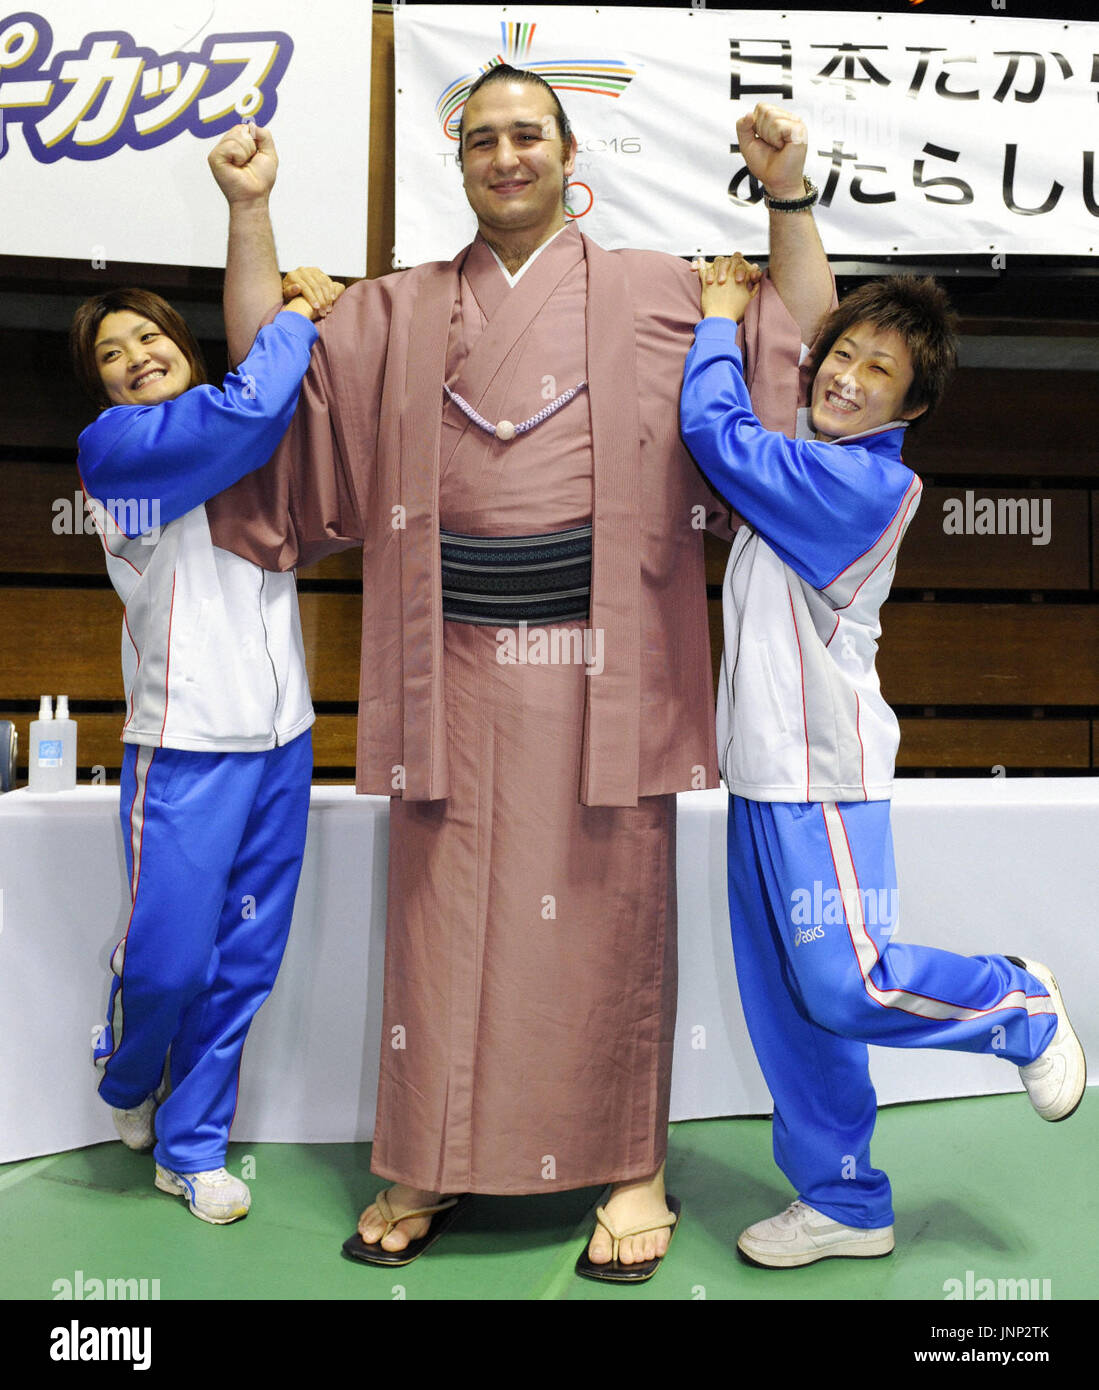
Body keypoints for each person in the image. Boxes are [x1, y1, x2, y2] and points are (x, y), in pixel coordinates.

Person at [203, 74, 833, 1280]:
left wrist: (790, 194)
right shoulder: (396, 307)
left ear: (566, 150)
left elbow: (789, 341)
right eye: (482, 138)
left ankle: (628, 1161)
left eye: (525, 134)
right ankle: (430, 1152)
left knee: (610, 914)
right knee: (444, 923)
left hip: (602, 663)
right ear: (460, 161)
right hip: (450, 665)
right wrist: (251, 213)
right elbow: (268, 374)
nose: (505, 155)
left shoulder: (656, 288)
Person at [678, 263, 1087, 1267]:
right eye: (841, 355)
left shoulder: (860, 482)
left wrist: (717, 321)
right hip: (761, 777)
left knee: (847, 981)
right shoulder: (806, 456)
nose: (849, 377)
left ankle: (1015, 1004)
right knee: (791, 1011)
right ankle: (844, 1200)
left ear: (910, 405)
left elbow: (711, 434)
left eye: (880, 369)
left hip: (823, 779)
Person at [72, 282, 337, 1222]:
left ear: (184, 343)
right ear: (100, 385)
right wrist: (298, 314)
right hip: (182, 741)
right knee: (166, 965)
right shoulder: (115, 451)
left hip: (283, 740)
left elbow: (270, 419)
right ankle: (126, 1070)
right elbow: (256, 405)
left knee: (243, 962)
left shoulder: (237, 436)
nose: (138, 354)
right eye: (113, 352)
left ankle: (191, 1146)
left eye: (151, 335)